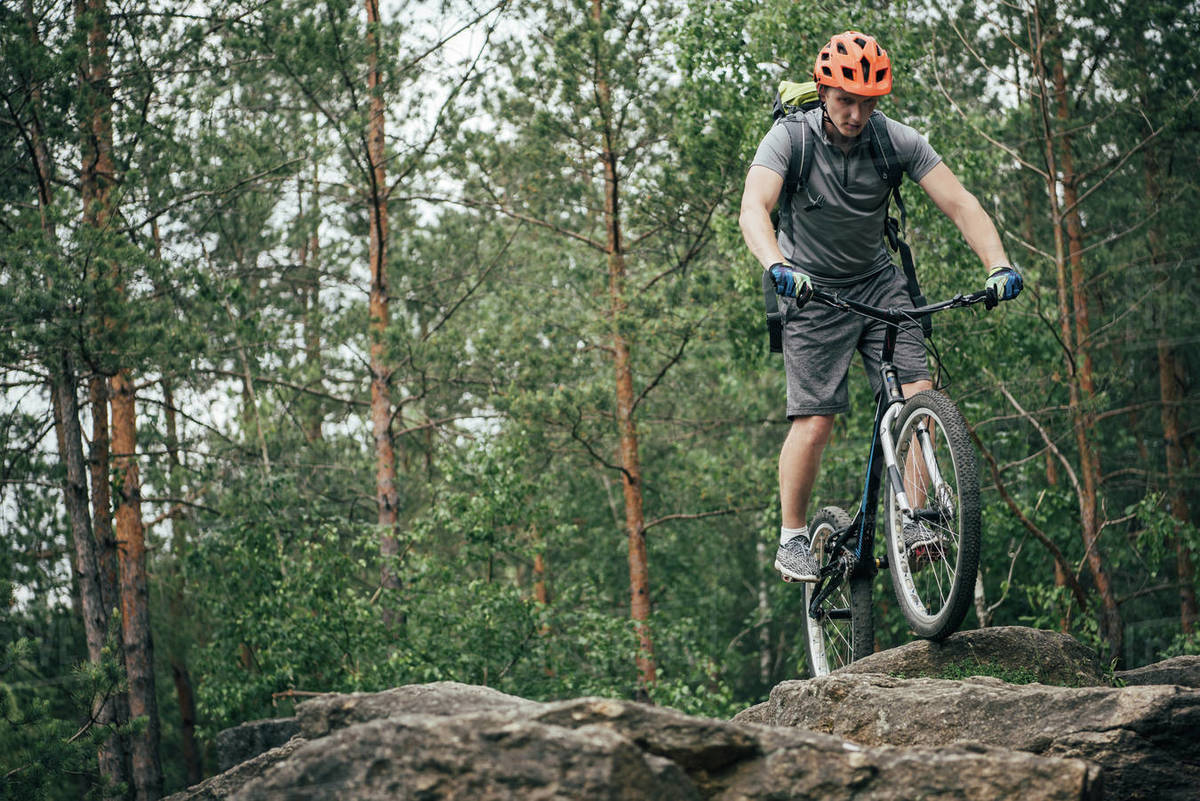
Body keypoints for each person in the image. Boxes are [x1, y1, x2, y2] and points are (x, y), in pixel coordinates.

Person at [738, 31, 1023, 583]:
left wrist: (998, 264)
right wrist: (778, 265)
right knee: (816, 419)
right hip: (811, 290)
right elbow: (755, 206)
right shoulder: (788, 140)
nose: (856, 113)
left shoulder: (895, 141)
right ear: (824, 91)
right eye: (846, 100)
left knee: (919, 397)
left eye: (867, 102)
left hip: (877, 284)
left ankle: (916, 519)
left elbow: (961, 203)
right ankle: (792, 535)